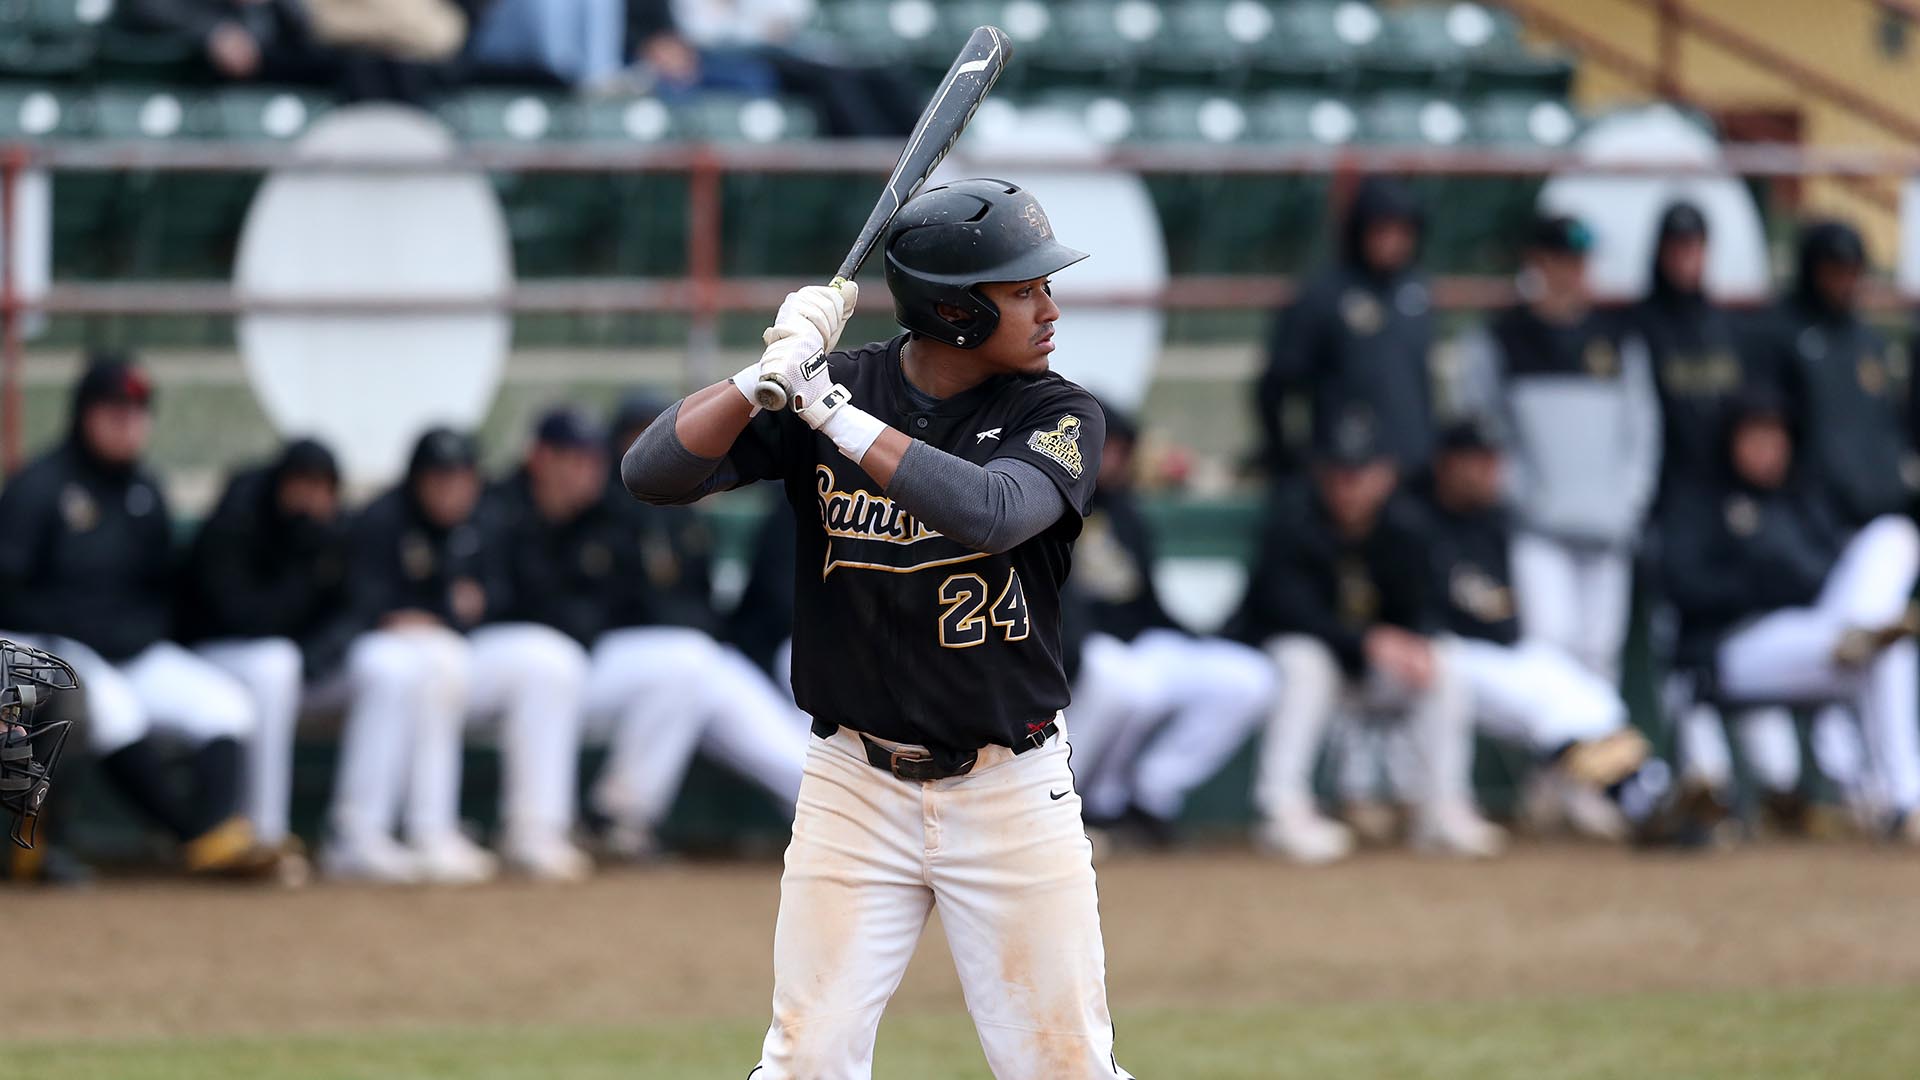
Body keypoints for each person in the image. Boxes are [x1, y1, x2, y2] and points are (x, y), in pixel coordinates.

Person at [622, 178, 1131, 1078]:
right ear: (954, 310)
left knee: (1064, 1066)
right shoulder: (840, 384)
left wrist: (829, 416)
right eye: (1023, 291)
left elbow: (994, 511)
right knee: (805, 1061)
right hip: (854, 784)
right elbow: (652, 471)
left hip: (1008, 789)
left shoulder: (1057, 412)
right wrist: (758, 378)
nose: (1049, 309)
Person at [481, 407, 803, 863]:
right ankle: (551, 827)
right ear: (540, 457)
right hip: (506, 660)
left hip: (590, 662)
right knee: (564, 661)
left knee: (690, 662)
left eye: (589, 460)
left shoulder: (614, 515)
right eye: (573, 459)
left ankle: (618, 817)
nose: (585, 472)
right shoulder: (508, 509)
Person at [0, 356, 271, 875]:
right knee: (116, 710)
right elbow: (7, 589)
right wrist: (75, 623)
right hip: (56, 646)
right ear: (85, 414)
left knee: (226, 706)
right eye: (115, 412)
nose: (129, 424)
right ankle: (193, 836)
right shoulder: (39, 485)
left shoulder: (144, 492)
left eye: (138, 412)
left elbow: (164, 587)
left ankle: (213, 833)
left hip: (132, 649)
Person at [1232, 407, 1500, 865]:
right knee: (1304, 662)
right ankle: (1283, 810)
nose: (1349, 486)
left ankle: (1442, 808)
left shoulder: (1406, 526)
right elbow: (1284, 610)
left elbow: (1426, 604)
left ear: (1386, 475)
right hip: (1304, 664)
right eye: (1339, 474)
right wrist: (1367, 641)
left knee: (1444, 664)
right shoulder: (1293, 519)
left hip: (1370, 672)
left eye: (1361, 473)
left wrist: (1415, 641)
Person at [1662, 389, 1920, 841]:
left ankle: (1903, 802)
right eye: (1755, 437)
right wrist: (1760, 578)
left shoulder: (1802, 496)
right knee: (1881, 643)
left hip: (1816, 636)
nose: (1767, 449)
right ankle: (1899, 796)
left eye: (1775, 437)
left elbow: (1824, 570)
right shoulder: (1702, 499)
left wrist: (1781, 571)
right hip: (1735, 645)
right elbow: (1682, 584)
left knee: (1893, 540)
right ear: (1732, 440)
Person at [337, 427, 590, 884]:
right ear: (417, 479)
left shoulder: (484, 520)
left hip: (455, 648)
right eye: (440, 477)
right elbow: (364, 605)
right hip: (380, 654)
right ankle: (420, 832)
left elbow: (496, 597)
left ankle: (534, 831)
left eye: (461, 477)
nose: (452, 488)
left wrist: (456, 610)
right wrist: (436, 611)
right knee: (437, 657)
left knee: (552, 659)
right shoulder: (382, 518)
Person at [1416, 418, 1655, 840]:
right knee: (1555, 709)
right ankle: (1638, 801)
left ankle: (1648, 795)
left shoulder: (1494, 520)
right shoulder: (1414, 519)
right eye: (1478, 460)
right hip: (1441, 652)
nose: (1490, 470)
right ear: (1448, 464)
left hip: (1501, 652)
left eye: (1493, 459)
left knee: (1588, 693)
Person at [1458, 213, 1661, 682]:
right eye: (1563, 260)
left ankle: (1600, 757)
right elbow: (1480, 429)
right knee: (1549, 649)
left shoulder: (1616, 336)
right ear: (1538, 262)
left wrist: (1629, 501)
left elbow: (1642, 429)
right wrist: (1520, 493)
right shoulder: (1503, 337)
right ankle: (1554, 758)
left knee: (1599, 654)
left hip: (1606, 526)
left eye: (1581, 261)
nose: (1574, 272)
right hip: (1538, 526)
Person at [1066, 402, 1276, 843]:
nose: (1112, 459)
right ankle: (1073, 803)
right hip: (1080, 644)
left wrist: (1200, 638)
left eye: (1121, 448)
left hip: (1140, 642)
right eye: (1103, 447)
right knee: (1122, 684)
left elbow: (1147, 599)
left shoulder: (1126, 511)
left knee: (1248, 677)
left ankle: (1151, 792)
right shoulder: (1046, 503)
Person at [180, 438, 357, 861]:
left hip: (292, 664)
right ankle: (264, 831)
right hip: (206, 655)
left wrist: (317, 655)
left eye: (321, 489)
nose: (311, 499)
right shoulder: (239, 518)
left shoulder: (333, 534)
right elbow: (245, 616)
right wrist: (303, 558)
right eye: (303, 485)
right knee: (275, 662)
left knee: (383, 666)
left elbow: (353, 610)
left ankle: (358, 834)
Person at [1255, 175, 1435, 478]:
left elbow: (1420, 383)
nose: (1392, 242)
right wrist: (1282, 455)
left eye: (1402, 231)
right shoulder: (1321, 296)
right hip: (1346, 477)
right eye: (1381, 230)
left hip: (1413, 470)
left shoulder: (1416, 292)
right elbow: (1276, 384)